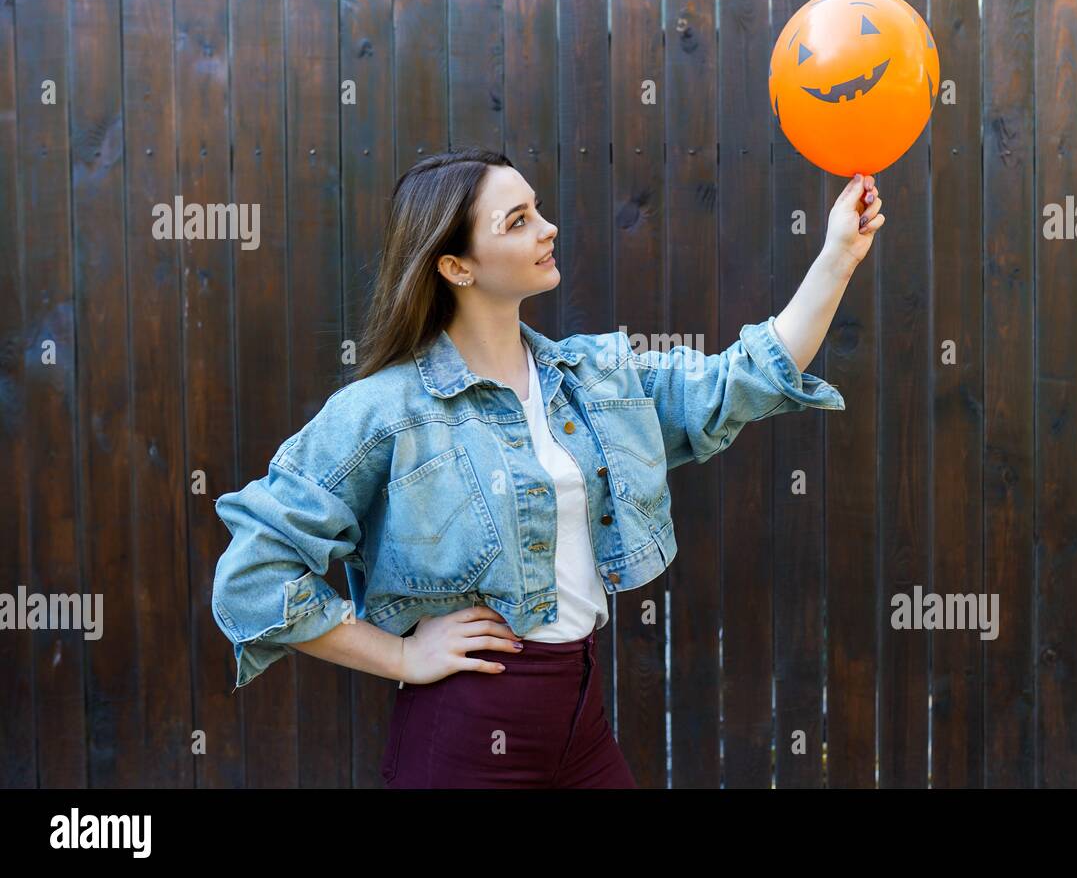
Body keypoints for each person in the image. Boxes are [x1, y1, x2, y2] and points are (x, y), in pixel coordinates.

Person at [210, 146, 884, 788]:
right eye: (519, 220)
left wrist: (838, 256)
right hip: (469, 732)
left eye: (537, 208)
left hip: (579, 715)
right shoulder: (385, 411)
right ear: (457, 267)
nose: (548, 227)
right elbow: (253, 578)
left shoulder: (591, 380)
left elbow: (739, 381)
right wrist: (401, 657)